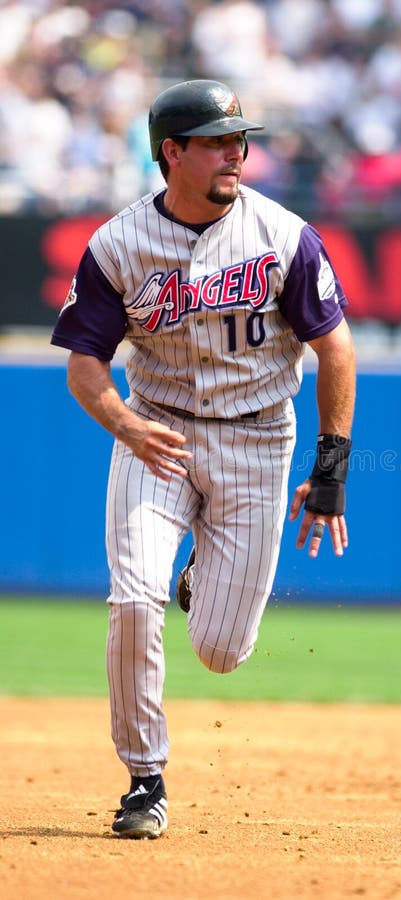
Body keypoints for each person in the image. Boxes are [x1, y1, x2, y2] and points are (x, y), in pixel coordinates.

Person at [50, 79, 356, 839]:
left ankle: (200, 581)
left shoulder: (283, 236)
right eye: (217, 141)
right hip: (154, 436)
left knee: (220, 652)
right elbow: (84, 363)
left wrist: (331, 473)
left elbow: (334, 347)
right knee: (131, 600)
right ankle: (144, 779)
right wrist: (122, 422)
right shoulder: (118, 245)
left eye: (239, 139)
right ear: (172, 152)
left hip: (257, 438)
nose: (236, 153)